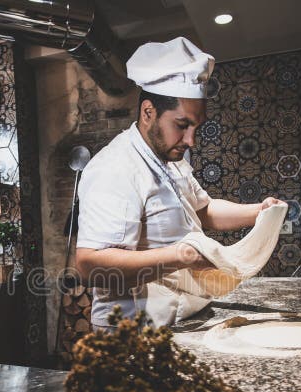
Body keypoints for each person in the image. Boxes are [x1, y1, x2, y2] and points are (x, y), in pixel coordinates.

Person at [75, 37, 284, 331]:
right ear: (148, 112)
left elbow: (202, 210)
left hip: (181, 315)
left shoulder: (169, 157)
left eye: (195, 127)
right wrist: (182, 256)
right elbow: (89, 265)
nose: (191, 141)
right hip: (133, 330)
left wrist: (259, 211)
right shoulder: (116, 168)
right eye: (182, 125)